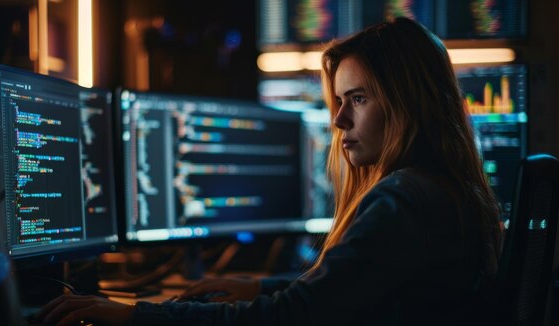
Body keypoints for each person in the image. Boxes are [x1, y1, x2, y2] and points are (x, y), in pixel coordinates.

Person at [36, 16, 502, 325]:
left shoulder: (402, 199)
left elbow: (290, 318)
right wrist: (257, 284)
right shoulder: (443, 190)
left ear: (408, 101)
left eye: (357, 100)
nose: (339, 122)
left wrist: (129, 316)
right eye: (339, 102)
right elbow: (349, 288)